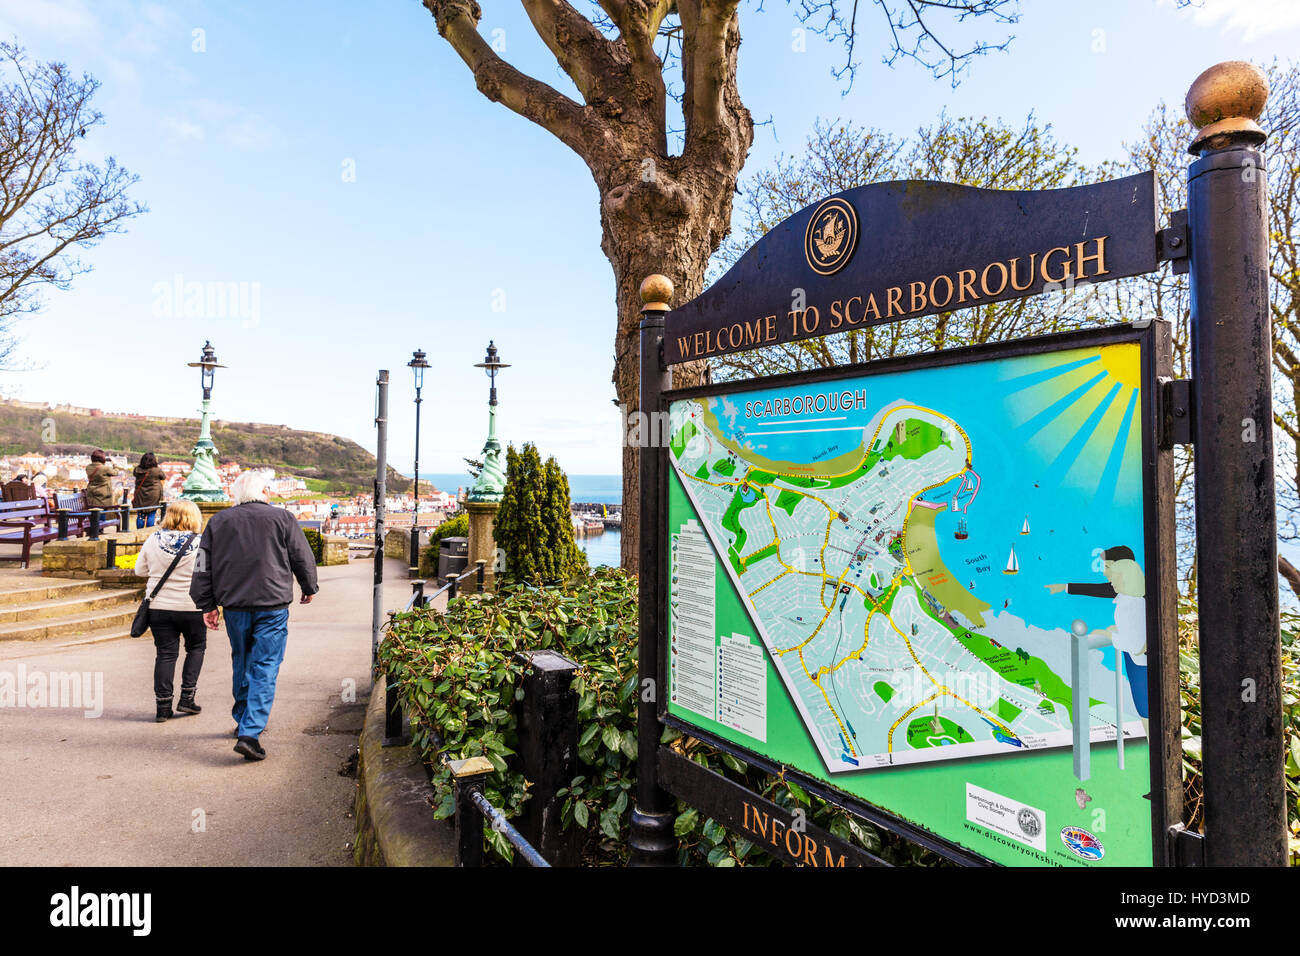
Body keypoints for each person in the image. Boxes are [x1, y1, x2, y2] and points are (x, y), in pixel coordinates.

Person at [190, 471, 318, 761]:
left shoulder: (218, 522)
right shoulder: (282, 518)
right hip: (272, 604)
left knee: (242, 659)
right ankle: (250, 731)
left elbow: (202, 564)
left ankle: (242, 719)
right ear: (265, 492)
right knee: (266, 664)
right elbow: (301, 555)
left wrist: (206, 604)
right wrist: (308, 586)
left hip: (234, 605)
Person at [1045, 544, 1148, 730]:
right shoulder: (1127, 593)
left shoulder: (1137, 598)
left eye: (1108, 567)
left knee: (1146, 713)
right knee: (1144, 713)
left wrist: (1110, 635)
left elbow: (1137, 640)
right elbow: (1101, 590)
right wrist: (1065, 587)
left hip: (1140, 661)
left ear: (1122, 568)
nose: (1104, 573)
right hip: (1134, 659)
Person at [134, 499, 206, 722]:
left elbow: (139, 570)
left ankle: (163, 707)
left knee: (165, 654)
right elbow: (203, 574)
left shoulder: (153, 539)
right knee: (196, 648)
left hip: (160, 606)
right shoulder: (201, 543)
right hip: (192, 606)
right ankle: (187, 697)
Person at [132, 452, 166, 528]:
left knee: (140, 515)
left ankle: (139, 532)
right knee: (151, 514)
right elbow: (163, 477)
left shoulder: (137, 470)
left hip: (140, 495)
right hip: (153, 495)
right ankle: (148, 533)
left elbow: (134, 474)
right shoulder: (156, 471)